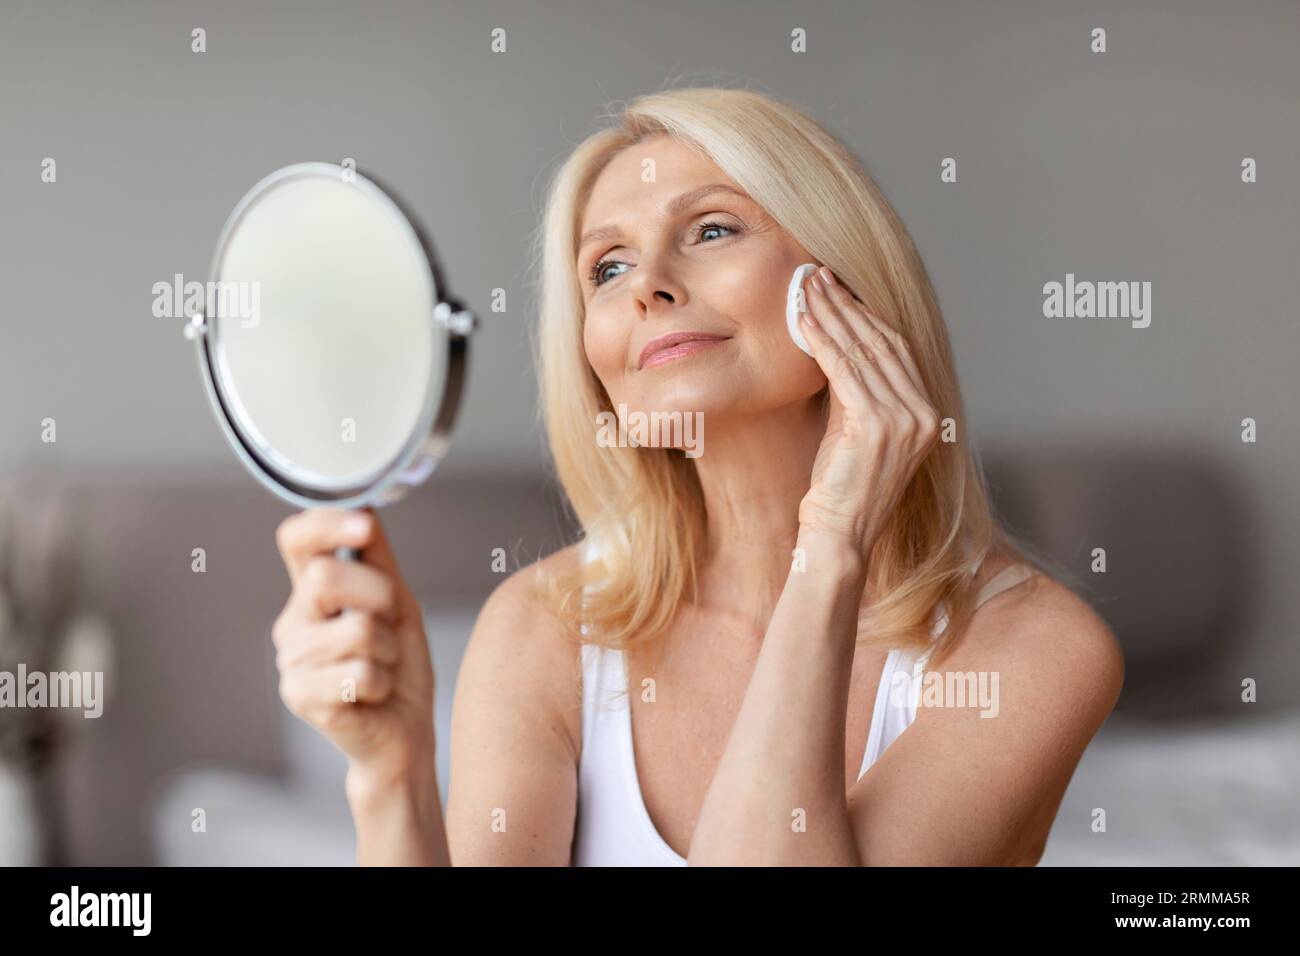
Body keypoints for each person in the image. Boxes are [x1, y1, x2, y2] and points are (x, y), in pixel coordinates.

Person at [271, 87, 1124, 866]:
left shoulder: (1031, 649)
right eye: (606, 267)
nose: (645, 286)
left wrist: (829, 549)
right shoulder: (545, 629)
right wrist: (391, 778)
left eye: (712, 228)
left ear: (851, 278)